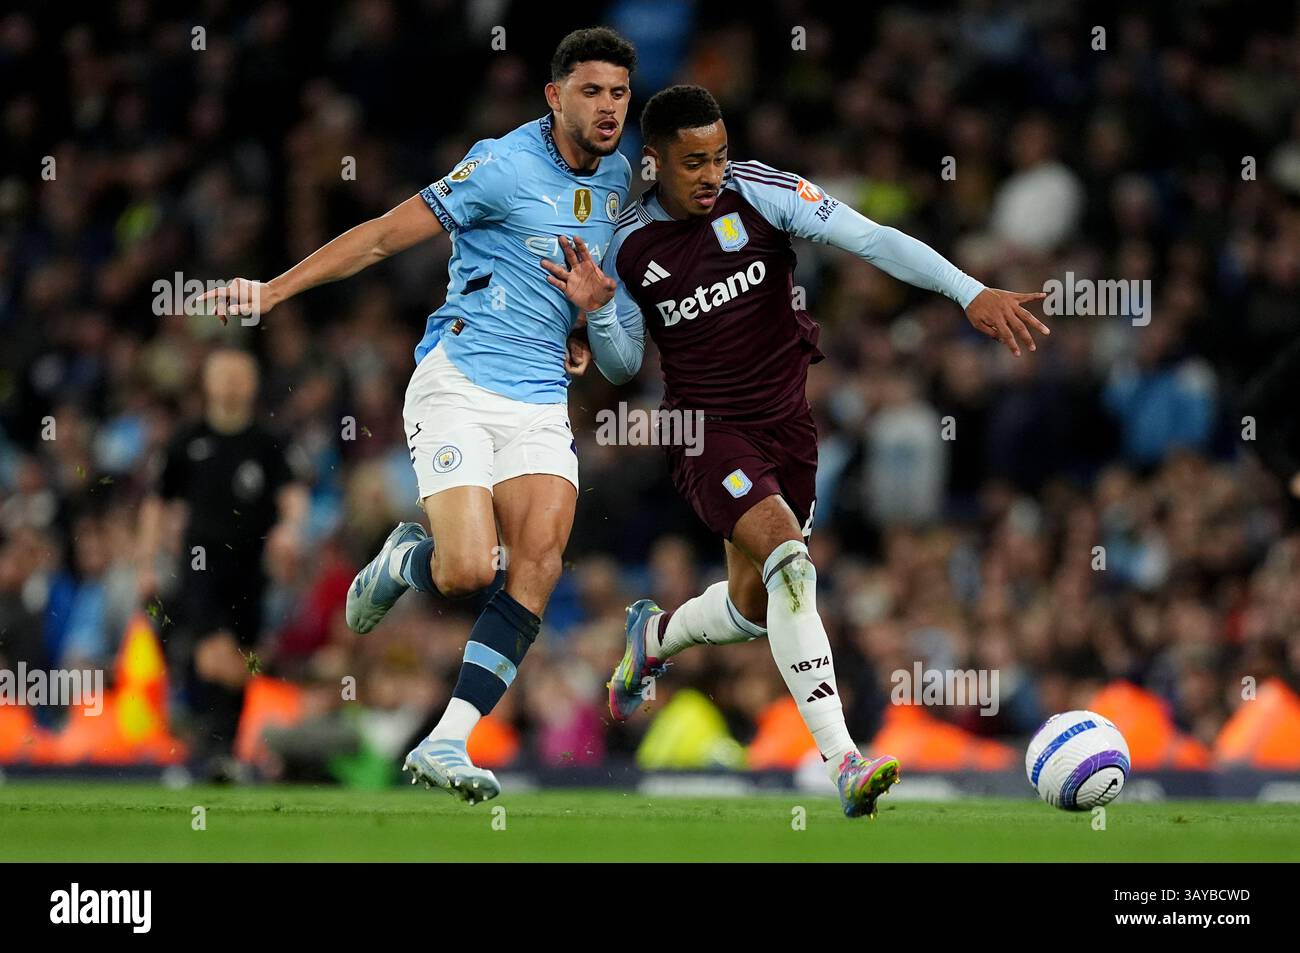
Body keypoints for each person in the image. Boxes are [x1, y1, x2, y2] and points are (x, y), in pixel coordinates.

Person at [543, 85, 1049, 819]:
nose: (712, 172)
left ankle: (652, 635)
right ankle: (844, 759)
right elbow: (622, 364)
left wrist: (966, 291)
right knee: (791, 560)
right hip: (706, 434)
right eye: (693, 162)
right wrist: (597, 307)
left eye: (718, 154)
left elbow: (871, 237)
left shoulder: (760, 192)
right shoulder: (626, 242)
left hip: (788, 429)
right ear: (652, 163)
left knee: (754, 609)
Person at [196, 27, 637, 803]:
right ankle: (405, 559)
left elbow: (587, 288)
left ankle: (446, 740)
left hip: (539, 398)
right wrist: (272, 291)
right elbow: (379, 239)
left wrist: (575, 332)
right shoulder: (500, 165)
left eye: (620, 93)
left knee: (537, 563)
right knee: (468, 568)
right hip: (459, 380)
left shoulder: (621, 179)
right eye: (592, 91)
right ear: (555, 95)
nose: (608, 107)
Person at [138, 349, 308, 771]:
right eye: (223, 375)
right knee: (212, 649)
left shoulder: (269, 444)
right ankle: (211, 746)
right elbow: (157, 503)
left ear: (252, 384)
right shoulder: (187, 439)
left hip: (250, 568)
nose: (231, 383)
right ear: (207, 383)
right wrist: (146, 560)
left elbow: (293, 497)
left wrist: (290, 531)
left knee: (241, 661)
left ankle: (219, 751)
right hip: (200, 563)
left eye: (240, 376)